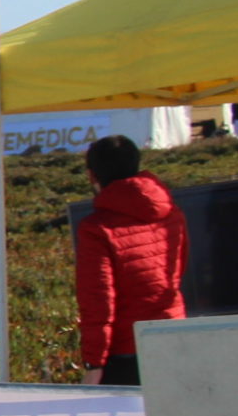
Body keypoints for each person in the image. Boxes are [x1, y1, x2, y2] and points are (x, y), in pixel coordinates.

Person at [74, 135, 187, 388]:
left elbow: (98, 301)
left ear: (92, 176)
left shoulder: (96, 229)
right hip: (174, 335)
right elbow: (178, 269)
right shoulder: (171, 211)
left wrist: (94, 364)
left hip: (126, 351)